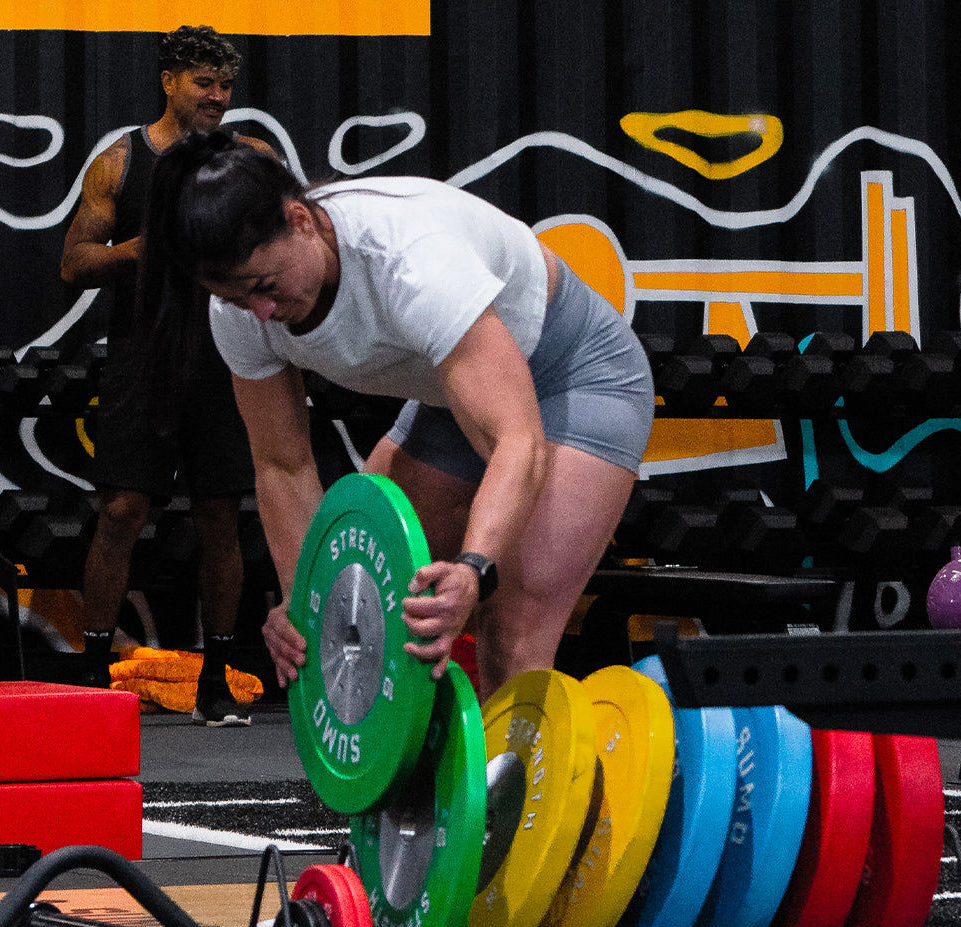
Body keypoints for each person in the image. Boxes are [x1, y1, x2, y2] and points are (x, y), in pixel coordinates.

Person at [136, 130, 655, 702]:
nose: (261, 311)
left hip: (574, 376)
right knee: (363, 597)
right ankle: (420, 787)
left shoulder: (409, 258)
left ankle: (516, 789)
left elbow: (516, 439)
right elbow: (283, 466)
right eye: (238, 298)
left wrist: (474, 567)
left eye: (265, 286)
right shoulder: (240, 314)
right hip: (453, 397)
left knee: (508, 628)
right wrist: (305, 601)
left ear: (301, 219)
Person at [60, 27, 274, 725]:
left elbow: (295, 238)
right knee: (121, 511)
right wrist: (137, 250)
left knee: (220, 519)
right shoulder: (121, 160)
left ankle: (218, 676)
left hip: (227, 358)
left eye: (224, 86)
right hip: (143, 358)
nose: (216, 97)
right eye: (203, 84)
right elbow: (74, 263)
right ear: (169, 82)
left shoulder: (250, 159)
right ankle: (94, 668)